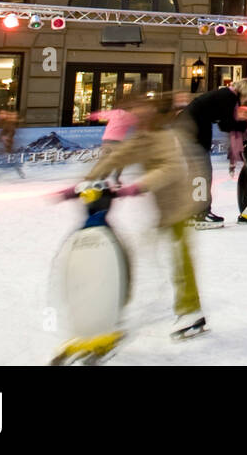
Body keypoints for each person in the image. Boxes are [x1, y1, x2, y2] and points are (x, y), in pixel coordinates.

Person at [74, 94, 208, 338]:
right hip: (162, 207)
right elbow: (119, 156)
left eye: (142, 109)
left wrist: (137, 186)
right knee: (132, 258)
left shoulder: (168, 135)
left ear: (154, 111)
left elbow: (171, 168)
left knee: (181, 261)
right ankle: (114, 312)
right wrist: (86, 181)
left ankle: (191, 311)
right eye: (134, 110)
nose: (137, 114)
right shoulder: (144, 136)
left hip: (179, 205)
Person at [179, 77, 247, 225]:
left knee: (197, 172)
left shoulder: (225, 95)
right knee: (202, 172)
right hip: (192, 133)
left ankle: (192, 211)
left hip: (189, 131)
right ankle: (200, 212)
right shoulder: (228, 97)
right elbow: (226, 124)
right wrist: (246, 126)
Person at [0, 109, 26, 179]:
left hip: (7, 145)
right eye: (0, 114)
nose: (0, 115)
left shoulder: (9, 124)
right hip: (5, 145)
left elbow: (10, 132)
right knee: (9, 159)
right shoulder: (4, 122)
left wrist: (5, 138)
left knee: (8, 160)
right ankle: (20, 172)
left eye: (2, 114)